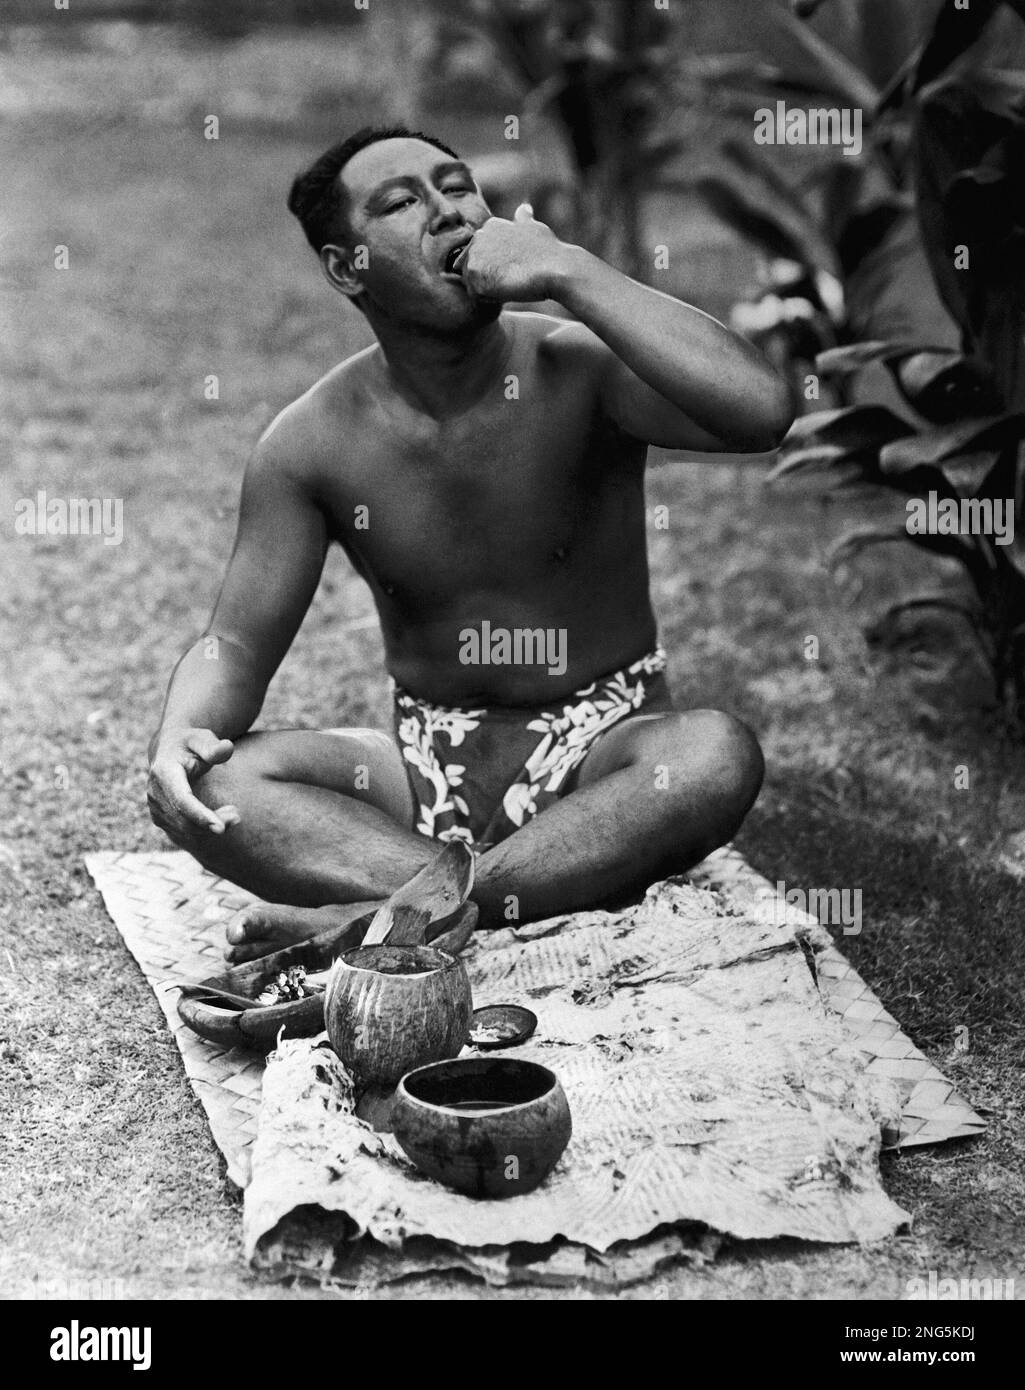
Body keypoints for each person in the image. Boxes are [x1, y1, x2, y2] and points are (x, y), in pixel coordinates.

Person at [146, 125, 792, 964]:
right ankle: (467, 902)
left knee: (712, 755)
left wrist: (570, 270)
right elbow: (233, 641)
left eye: (457, 186)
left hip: (604, 756)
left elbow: (762, 411)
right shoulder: (309, 442)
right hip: (422, 771)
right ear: (348, 268)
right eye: (403, 201)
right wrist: (179, 733)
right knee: (215, 788)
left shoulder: (578, 366)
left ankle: (386, 917)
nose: (448, 209)